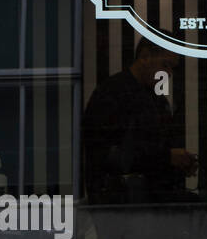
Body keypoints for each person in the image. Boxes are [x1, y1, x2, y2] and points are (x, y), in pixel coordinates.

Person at [82, 37, 198, 205]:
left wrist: (175, 162)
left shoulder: (152, 97)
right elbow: (110, 155)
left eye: (171, 68)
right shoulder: (113, 94)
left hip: (139, 200)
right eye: (165, 65)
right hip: (124, 202)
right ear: (144, 57)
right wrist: (168, 158)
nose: (169, 73)